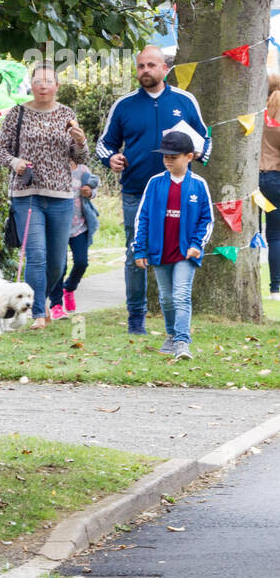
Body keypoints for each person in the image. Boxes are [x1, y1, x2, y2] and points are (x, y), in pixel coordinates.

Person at [97, 45, 212, 334]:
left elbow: (205, 139)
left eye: (151, 65)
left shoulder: (185, 101)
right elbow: (105, 143)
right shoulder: (124, 105)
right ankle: (136, 318)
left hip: (181, 194)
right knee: (135, 253)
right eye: (140, 66)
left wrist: (197, 153)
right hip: (137, 191)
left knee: (182, 250)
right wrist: (110, 157)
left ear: (164, 68)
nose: (145, 71)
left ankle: (178, 315)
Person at [0, 63, 89, 328]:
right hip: (27, 194)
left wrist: (81, 141)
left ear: (57, 86)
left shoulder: (67, 114)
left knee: (57, 261)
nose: (43, 85)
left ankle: (36, 301)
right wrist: (14, 163)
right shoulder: (17, 113)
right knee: (36, 256)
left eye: (48, 81)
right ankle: (37, 314)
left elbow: (80, 158)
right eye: (38, 81)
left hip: (61, 196)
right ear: (31, 86)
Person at [132, 131, 213, 360]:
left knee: (181, 295)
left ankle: (181, 342)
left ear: (189, 156)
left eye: (173, 156)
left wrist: (197, 244)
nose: (168, 160)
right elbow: (143, 217)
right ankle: (171, 334)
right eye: (165, 156)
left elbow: (207, 219)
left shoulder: (198, 185)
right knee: (166, 298)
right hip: (160, 251)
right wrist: (140, 248)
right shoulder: (155, 183)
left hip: (185, 253)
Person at [46, 162, 102, 319]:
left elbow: (94, 190)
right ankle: (56, 305)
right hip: (58, 226)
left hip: (80, 226)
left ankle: (69, 288)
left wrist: (89, 192)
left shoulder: (83, 170)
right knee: (59, 266)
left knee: (82, 262)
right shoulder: (54, 167)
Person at [260, 72, 280, 295]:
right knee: (275, 235)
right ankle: (275, 288)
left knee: (248, 231)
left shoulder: (256, 114)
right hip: (275, 177)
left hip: (252, 178)